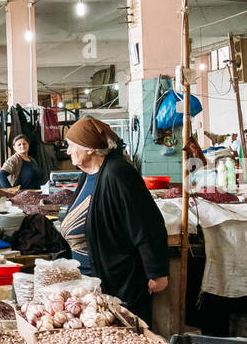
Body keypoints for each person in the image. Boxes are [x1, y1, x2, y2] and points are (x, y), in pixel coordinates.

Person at [62, 116, 169, 323]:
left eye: (71, 146)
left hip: (119, 280)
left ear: (90, 148)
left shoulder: (117, 173)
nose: (68, 152)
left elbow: (146, 224)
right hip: (89, 283)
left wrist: (156, 272)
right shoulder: (87, 174)